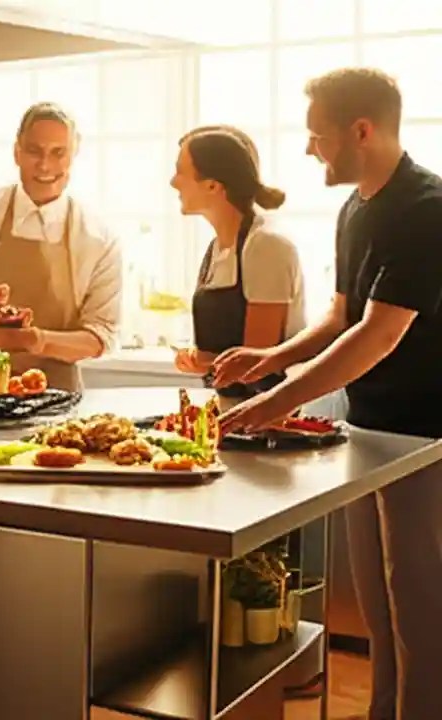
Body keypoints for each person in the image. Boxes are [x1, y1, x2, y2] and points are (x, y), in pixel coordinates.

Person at [215, 68, 442, 720]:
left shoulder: (427, 209)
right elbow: (341, 315)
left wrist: (276, 402)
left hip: (426, 436)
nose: (311, 149)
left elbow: (379, 335)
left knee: (420, 608)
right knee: (379, 605)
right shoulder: (356, 207)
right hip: (368, 428)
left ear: (361, 131)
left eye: (319, 136)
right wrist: (274, 358)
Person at [0, 102, 122, 391]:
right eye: (34, 151)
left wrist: (31, 340)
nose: (45, 165)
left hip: (57, 400)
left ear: (74, 155)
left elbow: (100, 336)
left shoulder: (99, 237)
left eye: (58, 153)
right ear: (16, 152)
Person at [168, 125, 305, 400]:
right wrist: (198, 359)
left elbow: (257, 362)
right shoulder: (216, 249)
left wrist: (206, 363)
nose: (173, 182)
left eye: (181, 171)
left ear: (212, 185)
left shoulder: (266, 246)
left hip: (269, 412)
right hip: (228, 404)